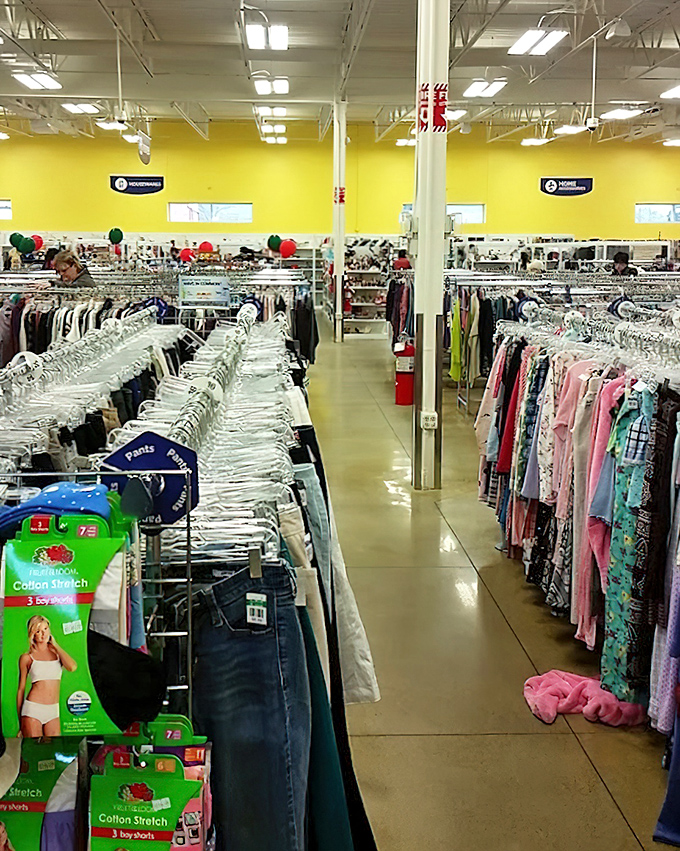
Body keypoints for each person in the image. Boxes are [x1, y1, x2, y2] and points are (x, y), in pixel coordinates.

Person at [17, 614, 77, 737]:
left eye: (45, 629)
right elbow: (21, 689)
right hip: (33, 710)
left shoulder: (57, 654)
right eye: (38, 631)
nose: (43, 634)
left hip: (53, 711)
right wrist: (20, 722)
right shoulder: (27, 657)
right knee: (33, 748)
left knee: (54, 747)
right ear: (33, 634)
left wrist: (56, 645)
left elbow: (72, 667)